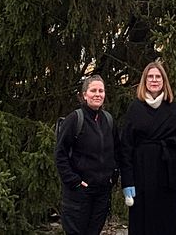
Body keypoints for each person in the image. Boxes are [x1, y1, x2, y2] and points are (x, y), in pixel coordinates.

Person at [118, 61, 176, 235]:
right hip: (142, 176)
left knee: (170, 224)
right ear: (144, 80)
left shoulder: (174, 108)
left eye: (158, 76)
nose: (154, 80)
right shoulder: (135, 108)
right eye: (150, 76)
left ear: (164, 81)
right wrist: (127, 182)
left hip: (170, 176)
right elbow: (126, 148)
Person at [55, 75, 119, 235]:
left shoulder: (108, 120)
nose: (98, 94)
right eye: (93, 90)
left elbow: (117, 151)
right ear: (84, 94)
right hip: (78, 194)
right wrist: (74, 181)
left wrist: (113, 176)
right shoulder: (75, 119)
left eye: (101, 91)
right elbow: (60, 154)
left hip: (102, 193)